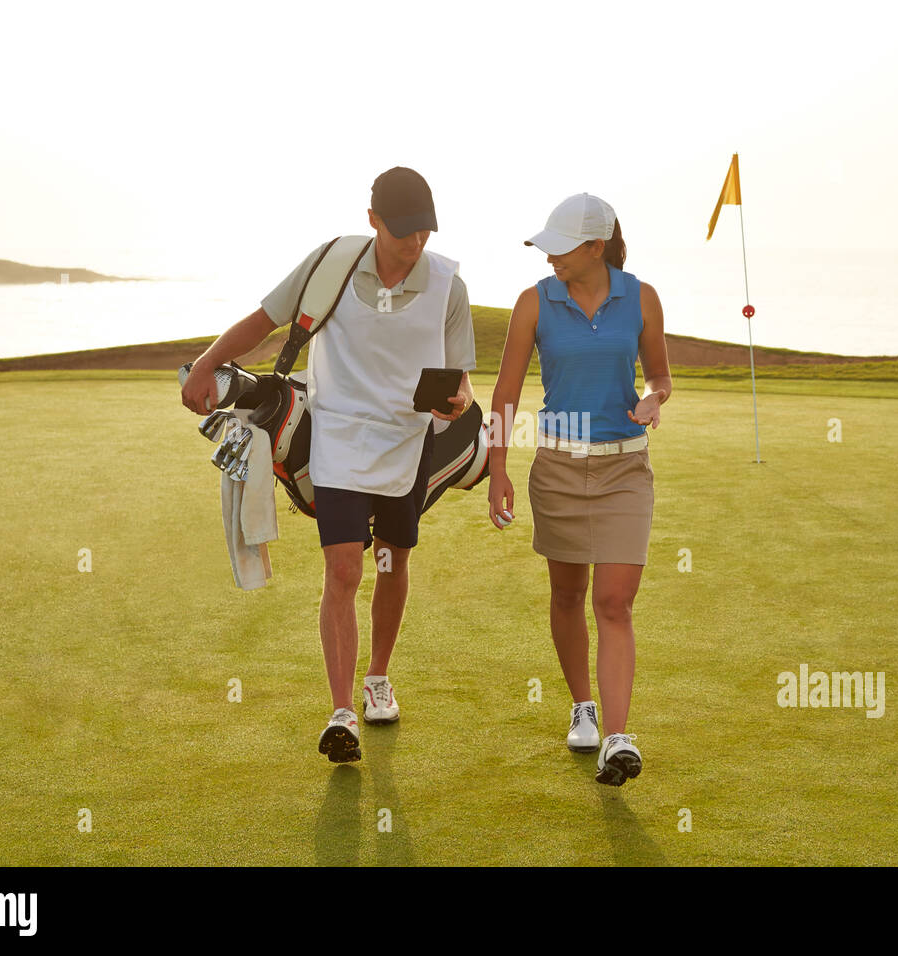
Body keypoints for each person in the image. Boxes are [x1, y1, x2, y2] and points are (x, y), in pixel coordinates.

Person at [181, 167, 477, 763]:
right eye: (403, 233)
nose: (415, 245)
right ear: (373, 221)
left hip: (407, 442)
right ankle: (341, 710)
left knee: (393, 564)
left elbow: (463, 378)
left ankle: (378, 680)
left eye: (424, 232)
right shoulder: (332, 264)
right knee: (343, 572)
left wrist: (461, 399)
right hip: (338, 439)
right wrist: (207, 363)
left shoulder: (448, 284)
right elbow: (264, 320)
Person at [487, 194, 671, 786]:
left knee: (613, 602)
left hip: (625, 470)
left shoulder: (640, 297)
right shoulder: (533, 303)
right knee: (567, 594)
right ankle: (582, 706)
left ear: (596, 248)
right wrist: (497, 468)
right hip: (559, 469)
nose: (548, 258)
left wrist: (654, 397)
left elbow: (660, 375)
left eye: (559, 248)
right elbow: (505, 394)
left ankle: (618, 738)